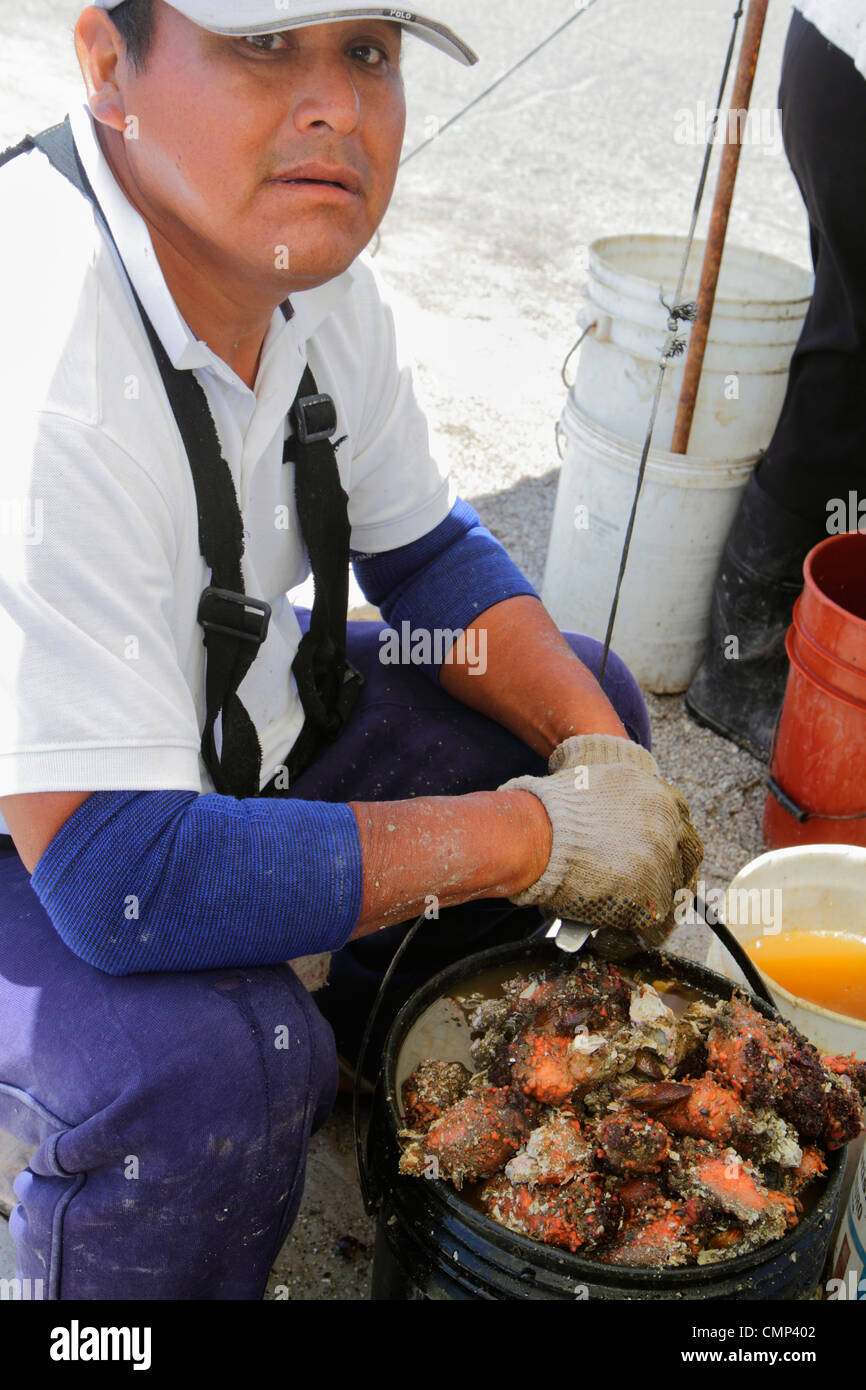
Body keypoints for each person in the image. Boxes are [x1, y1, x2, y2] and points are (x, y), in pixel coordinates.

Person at [0, 0, 702, 1299]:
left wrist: (590, 761)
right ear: (109, 65)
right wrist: (533, 838)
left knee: (576, 695)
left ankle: (383, 1047)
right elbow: (116, 871)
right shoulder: (41, 356)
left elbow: (427, 557)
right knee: (217, 1059)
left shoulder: (303, 277)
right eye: (265, 46)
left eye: (367, 53)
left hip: (206, 725)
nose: (335, 103)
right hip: (44, 833)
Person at [686, 1, 866, 761]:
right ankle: (740, 667)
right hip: (852, 73)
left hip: (832, 63)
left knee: (850, 342)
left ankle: (805, 647)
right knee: (849, 357)